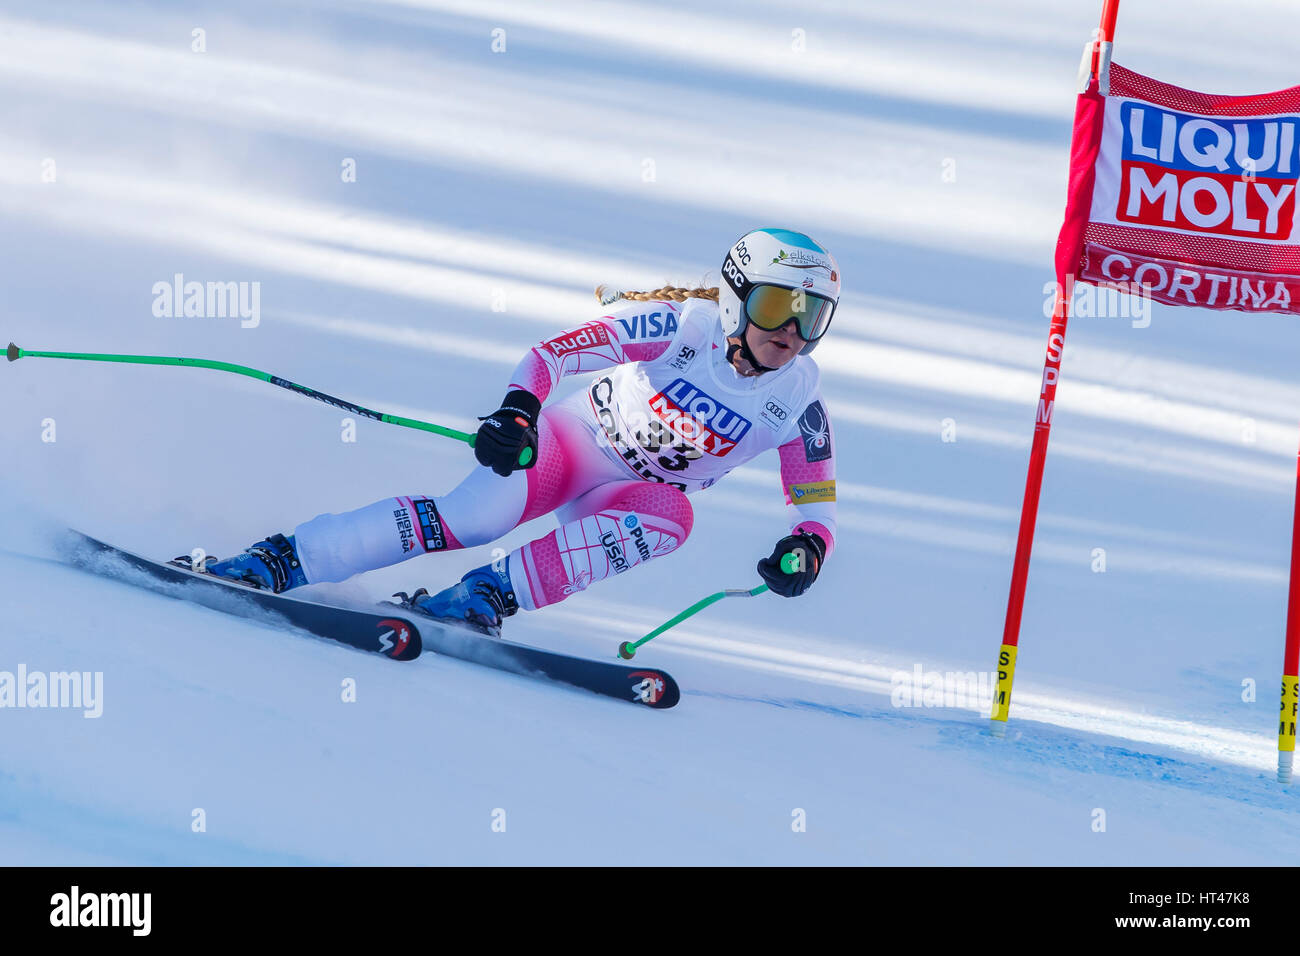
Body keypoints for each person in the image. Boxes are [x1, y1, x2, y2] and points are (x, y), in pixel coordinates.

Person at [183, 228, 840, 635]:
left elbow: (813, 499)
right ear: (734, 296)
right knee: (473, 520)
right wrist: (519, 411)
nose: (791, 331)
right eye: (777, 305)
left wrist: (806, 550)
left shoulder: (798, 397)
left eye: (812, 317)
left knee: (672, 519)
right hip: (569, 449)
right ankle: (281, 559)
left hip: (629, 497)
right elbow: (552, 355)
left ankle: (484, 596)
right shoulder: (681, 328)